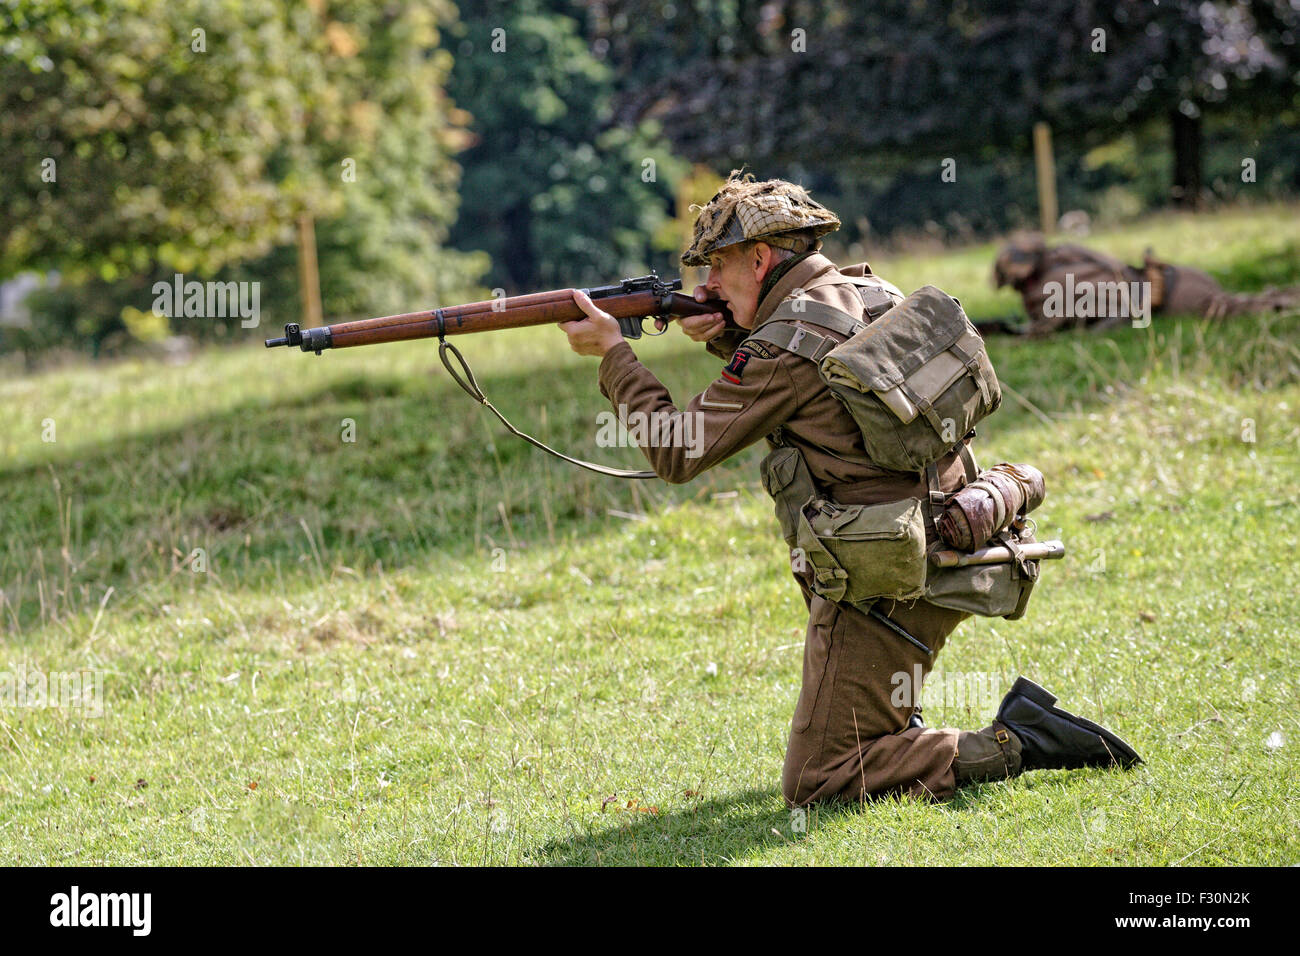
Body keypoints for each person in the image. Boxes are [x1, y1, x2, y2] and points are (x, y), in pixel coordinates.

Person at [559, 172, 1140, 805]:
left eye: (718, 267)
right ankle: (896, 724)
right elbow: (823, 391)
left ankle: (1021, 738)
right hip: (949, 548)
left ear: (759, 259)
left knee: (821, 780)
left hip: (882, 582)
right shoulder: (870, 293)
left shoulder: (781, 349)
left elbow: (676, 450)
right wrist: (730, 332)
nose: (706, 286)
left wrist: (614, 357)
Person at [994, 232, 1300, 335]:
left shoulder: (1053, 286)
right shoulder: (1067, 254)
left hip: (1175, 296)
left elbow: (1045, 329)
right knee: (1251, 299)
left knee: (1252, 307)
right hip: (1183, 277)